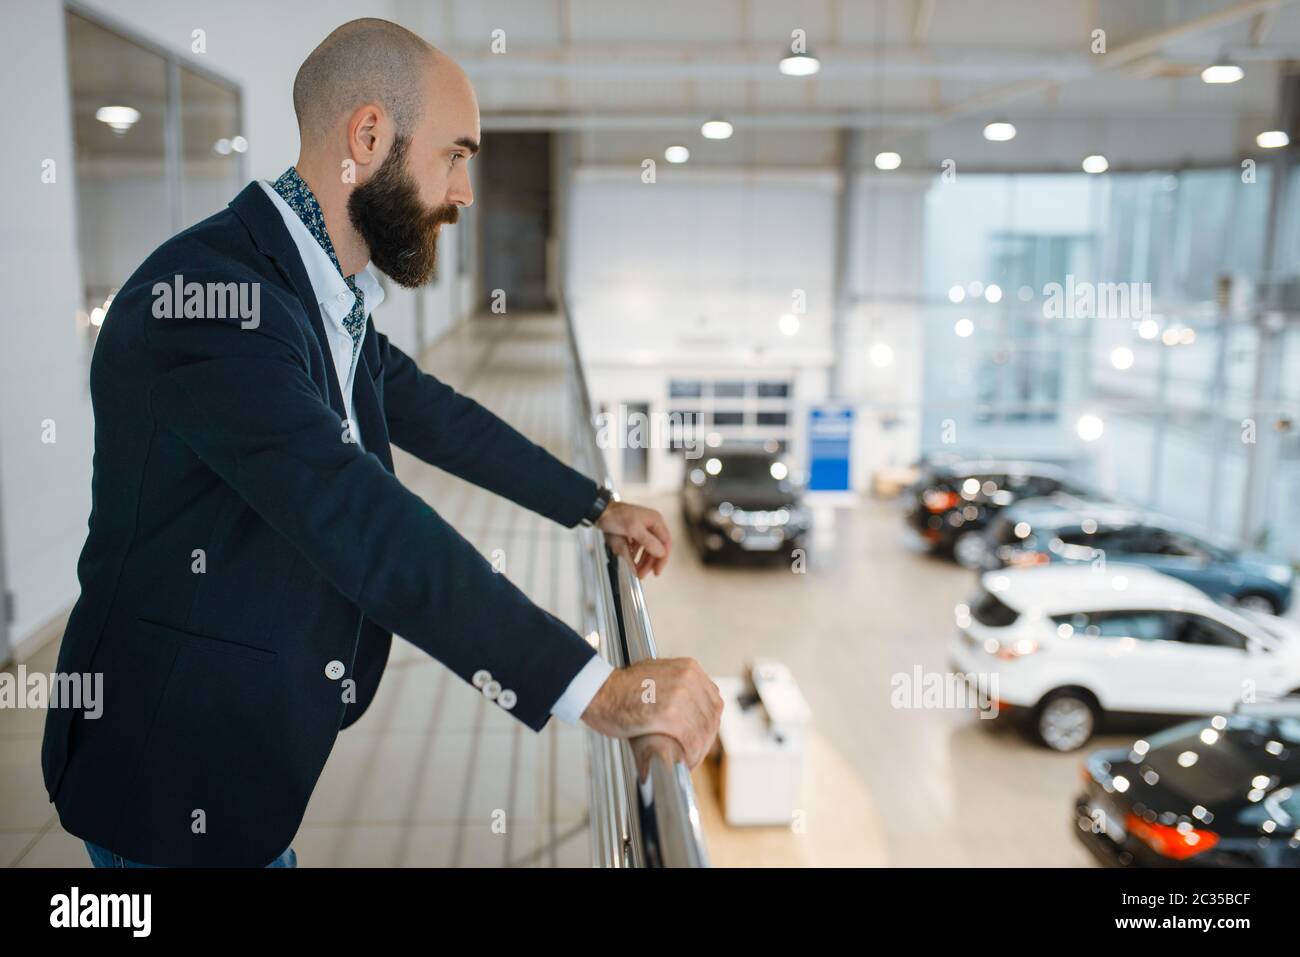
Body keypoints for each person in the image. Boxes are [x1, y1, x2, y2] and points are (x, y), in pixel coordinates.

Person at [42, 17, 723, 868]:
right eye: (455, 155)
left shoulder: (315, 288)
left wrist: (594, 506)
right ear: (369, 135)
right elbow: (356, 513)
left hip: (245, 775)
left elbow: (432, 410)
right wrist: (593, 686)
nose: (465, 192)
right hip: (169, 772)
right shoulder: (208, 297)